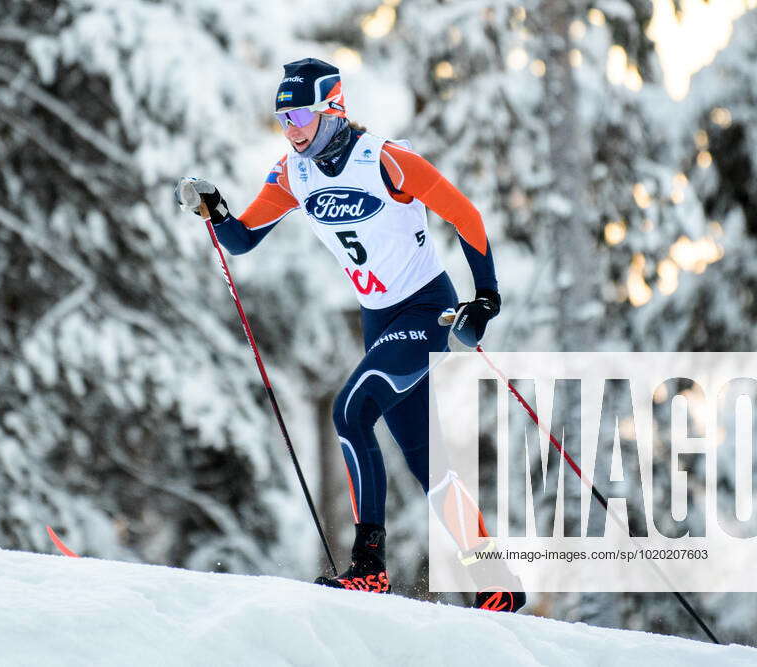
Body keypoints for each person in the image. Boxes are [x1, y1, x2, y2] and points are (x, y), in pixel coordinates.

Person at [177, 58, 523, 612]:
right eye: (281, 118)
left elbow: (466, 216)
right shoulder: (294, 173)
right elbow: (242, 240)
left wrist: (484, 298)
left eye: (298, 115)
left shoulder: (386, 159)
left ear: (331, 110)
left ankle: (369, 566)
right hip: (377, 320)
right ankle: (497, 582)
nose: (289, 129)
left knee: (351, 413)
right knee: (423, 458)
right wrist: (215, 210)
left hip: (423, 312)